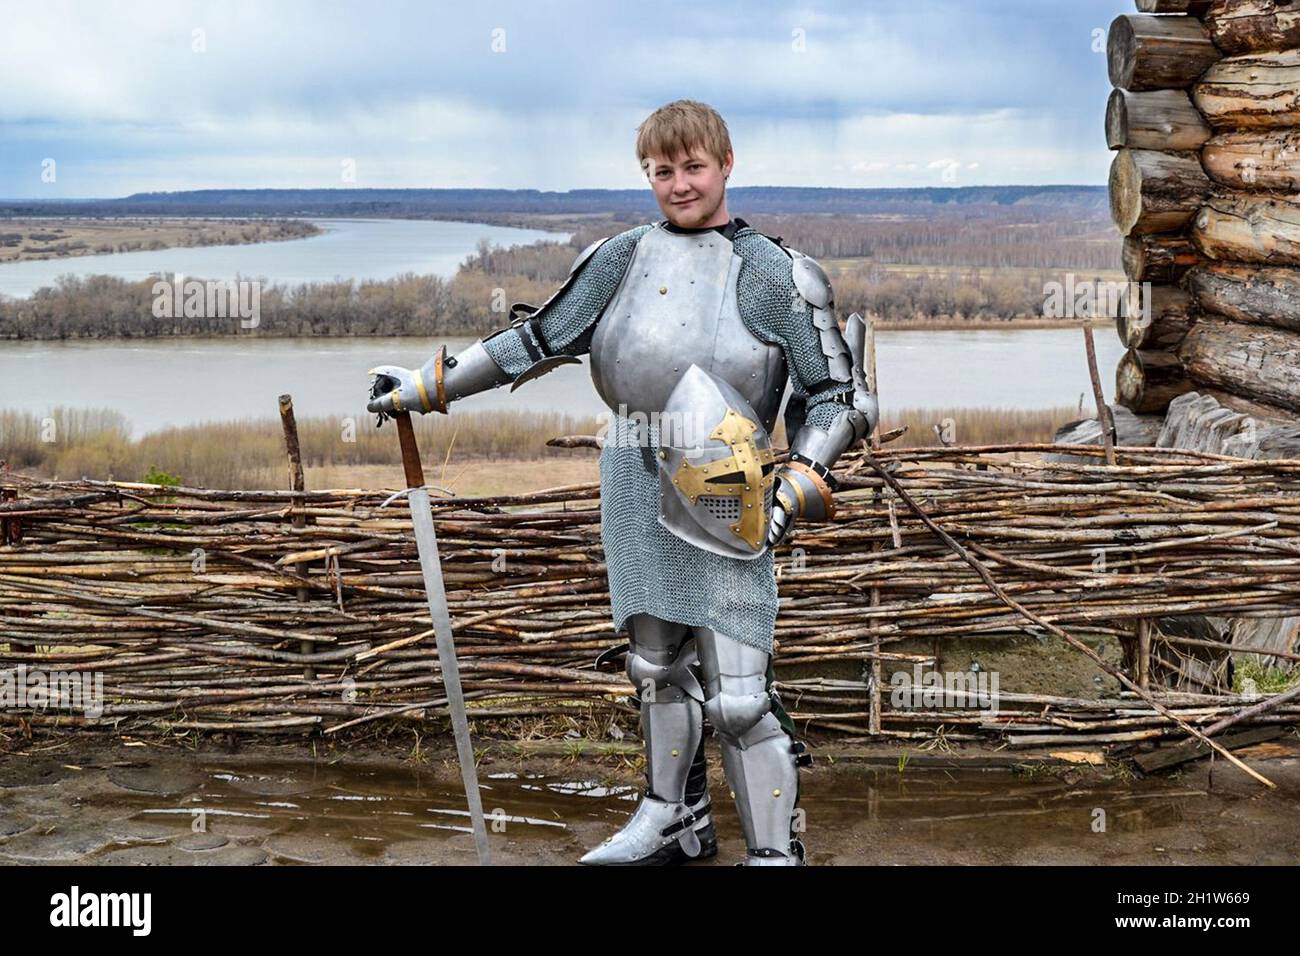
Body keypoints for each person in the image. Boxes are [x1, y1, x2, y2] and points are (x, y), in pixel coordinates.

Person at [367, 99, 877, 866]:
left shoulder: (774, 274)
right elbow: (535, 339)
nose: (678, 185)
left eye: (693, 167)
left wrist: (798, 485)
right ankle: (673, 819)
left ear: (726, 164)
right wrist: (423, 387)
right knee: (656, 667)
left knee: (739, 700)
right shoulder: (621, 257)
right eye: (662, 171)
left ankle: (775, 855)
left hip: (727, 484)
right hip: (634, 474)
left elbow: (840, 397)